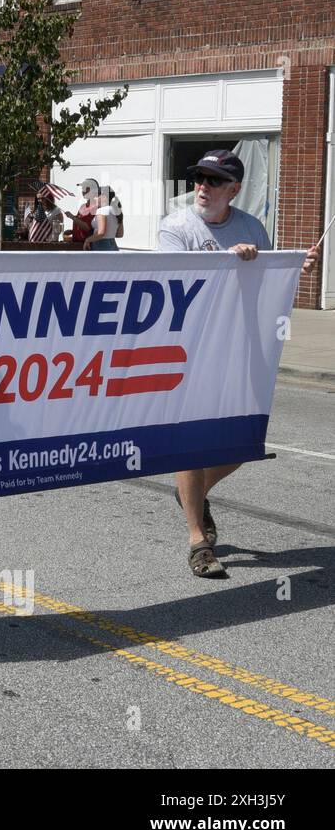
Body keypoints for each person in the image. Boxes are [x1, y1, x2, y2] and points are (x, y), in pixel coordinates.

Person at [158, 150, 320, 578]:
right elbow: (177, 287)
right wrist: (229, 260)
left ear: (234, 189)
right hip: (190, 351)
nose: (202, 187)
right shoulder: (175, 227)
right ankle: (198, 541)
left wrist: (291, 268)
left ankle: (193, 493)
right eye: (198, 178)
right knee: (191, 443)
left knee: (242, 444)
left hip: (239, 349)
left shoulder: (252, 228)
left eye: (213, 181)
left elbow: (265, 285)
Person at [67, 178, 100, 244]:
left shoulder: (96, 207)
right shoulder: (83, 206)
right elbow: (79, 223)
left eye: (86, 189)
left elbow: (88, 228)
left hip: (86, 245)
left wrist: (72, 217)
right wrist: (72, 231)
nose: (83, 191)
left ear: (93, 190)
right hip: (77, 244)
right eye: (82, 189)